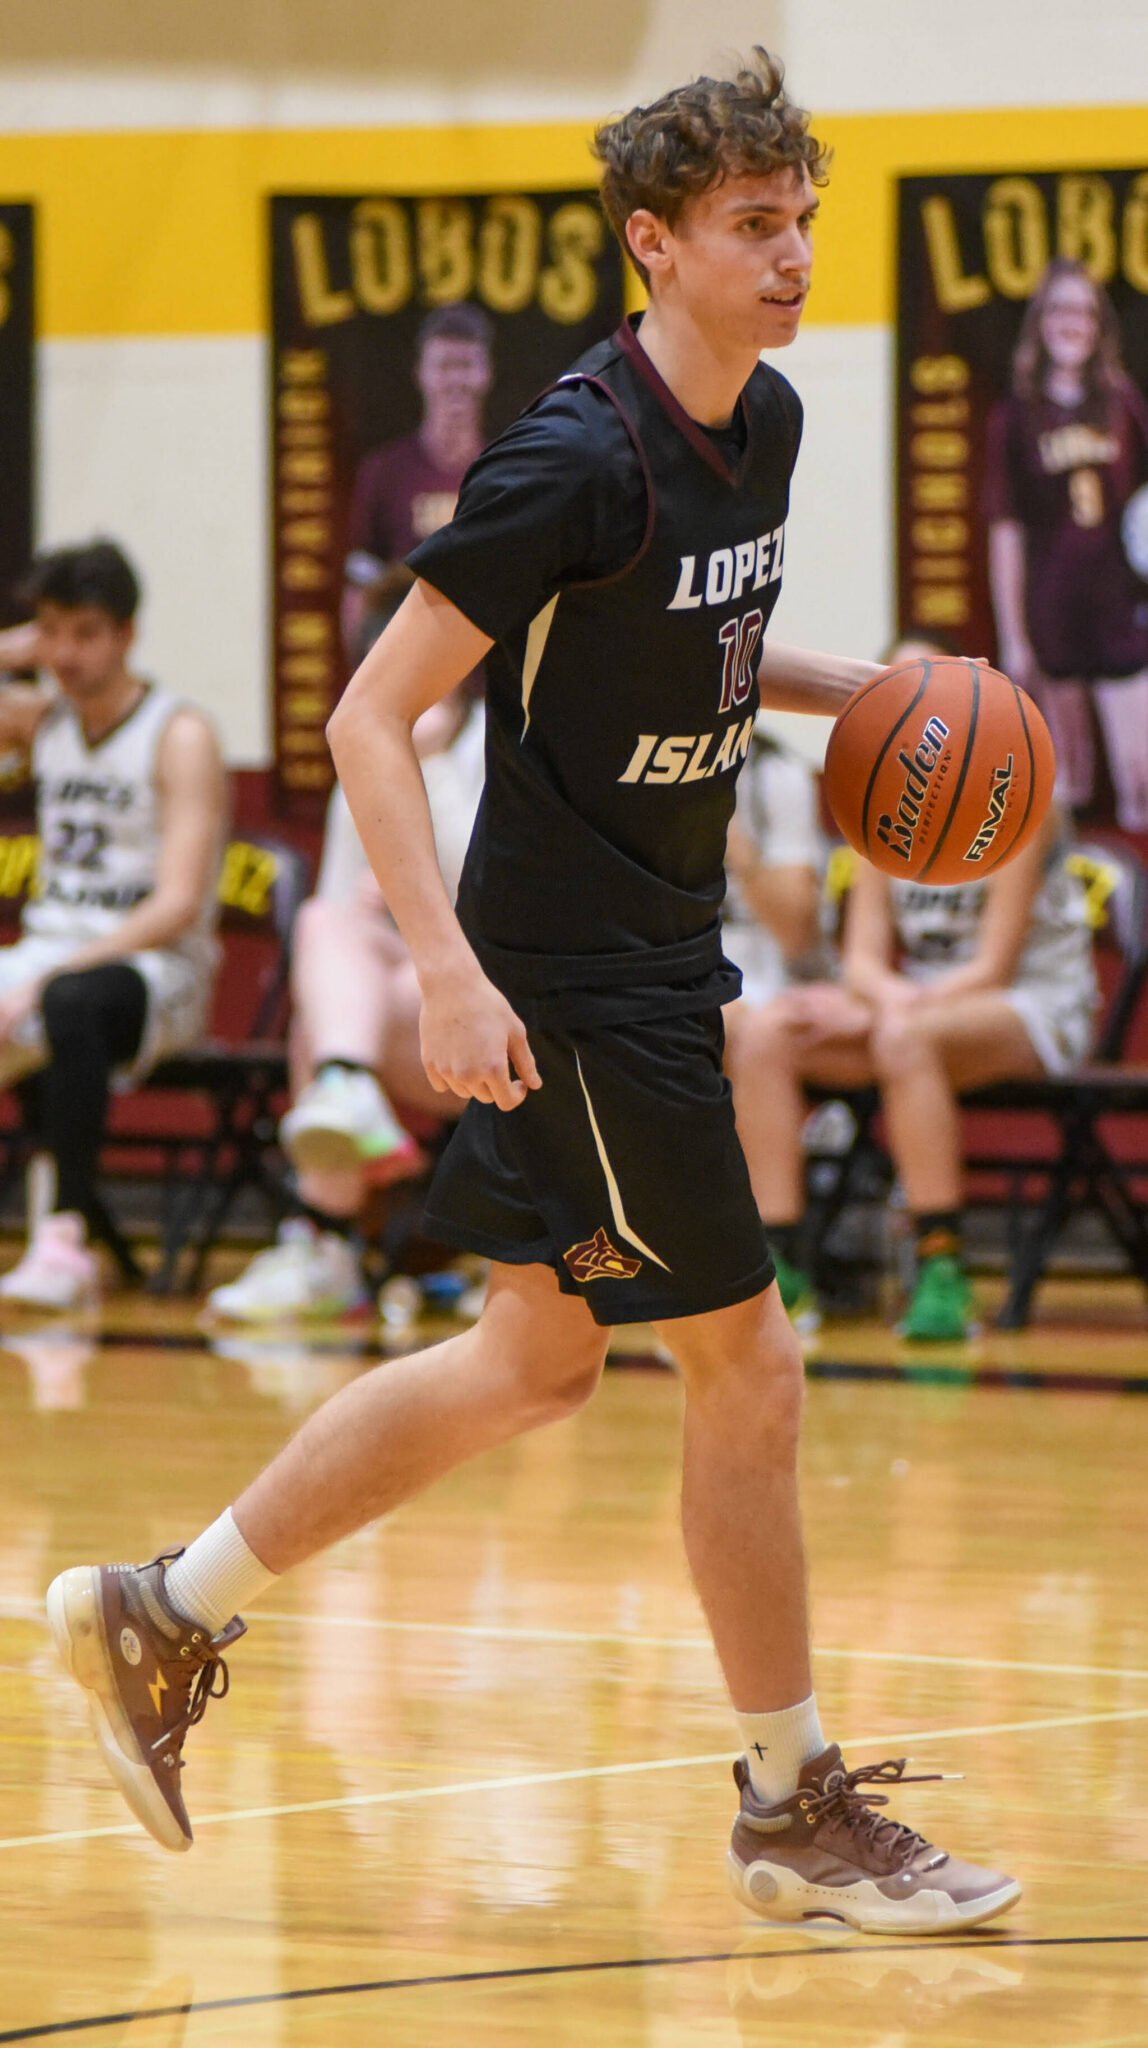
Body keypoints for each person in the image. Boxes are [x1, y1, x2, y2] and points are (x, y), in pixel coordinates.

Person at [48, 56, 1021, 1932]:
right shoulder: (570, 453)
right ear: (649, 243)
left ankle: (159, 1606)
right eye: (753, 225)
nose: (792, 253)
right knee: (749, 1364)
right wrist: (438, 964)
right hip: (571, 978)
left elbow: (703, 643)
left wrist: (879, 690)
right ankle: (786, 1800)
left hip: (656, 943)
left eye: (801, 216)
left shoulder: (776, 421)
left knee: (534, 1356)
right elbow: (369, 718)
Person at [734, 797, 1097, 1340]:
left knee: (903, 1041)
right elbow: (861, 960)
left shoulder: (1025, 797)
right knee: (770, 1032)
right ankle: (777, 1266)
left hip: (1035, 1001)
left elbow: (992, 969)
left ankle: (941, 1268)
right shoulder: (883, 792)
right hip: (916, 1005)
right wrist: (884, 1002)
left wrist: (890, 1009)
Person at [207, 689, 484, 1321]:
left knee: (328, 1022)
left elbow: (500, 904)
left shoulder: (507, 748)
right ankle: (345, 1088)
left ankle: (324, 1232)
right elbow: (335, 929)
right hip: (400, 1010)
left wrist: (425, 768)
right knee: (324, 926)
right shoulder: (364, 763)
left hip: (494, 1018)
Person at [0, 540, 224, 1310]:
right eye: (51, 632)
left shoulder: (178, 732)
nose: (64, 652)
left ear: (128, 633)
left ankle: (64, 1240)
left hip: (156, 970)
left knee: (71, 1002)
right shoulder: (40, 721)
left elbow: (178, 905)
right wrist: (14, 646)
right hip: (49, 956)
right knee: (55, 995)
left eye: (84, 633)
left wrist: (52, 979)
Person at [987, 257, 1148, 830]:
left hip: (1121, 609)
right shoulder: (1015, 416)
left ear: (1100, 323)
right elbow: (1005, 532)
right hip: (1054, 610)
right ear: (1040, 323)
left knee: (1140, 777)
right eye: (1059, 309)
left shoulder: (1123, 403)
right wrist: (1014, 637)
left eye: (1083, 310)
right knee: (1068, 784)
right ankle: (1079, 913)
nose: (1071, 322)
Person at [342, 304, 495, 666]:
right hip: (407, 677)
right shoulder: (383, 473)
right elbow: (359, 589)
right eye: (444, 366)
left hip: (486, 688)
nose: (455, 380)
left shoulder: (506, 474)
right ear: (421, 374)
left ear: (486, 374)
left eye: (466, 366)